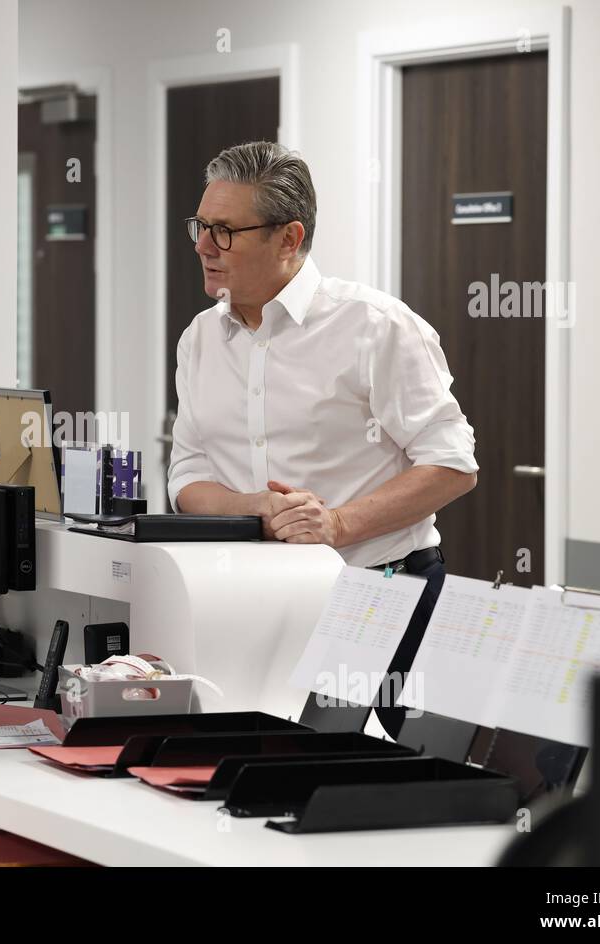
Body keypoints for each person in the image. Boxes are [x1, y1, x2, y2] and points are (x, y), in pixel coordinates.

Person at [169, 142, 478, 737]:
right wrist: (255, 509)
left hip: (377, 592)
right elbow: (187, 474)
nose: (204, 247)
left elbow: (452, 463)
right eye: (201, 227)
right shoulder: (200, 339)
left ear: (289, 238)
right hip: (252, 596)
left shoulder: (375, 327)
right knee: (266, 771)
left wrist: (335, 526)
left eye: (226, 231)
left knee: (382, 786)